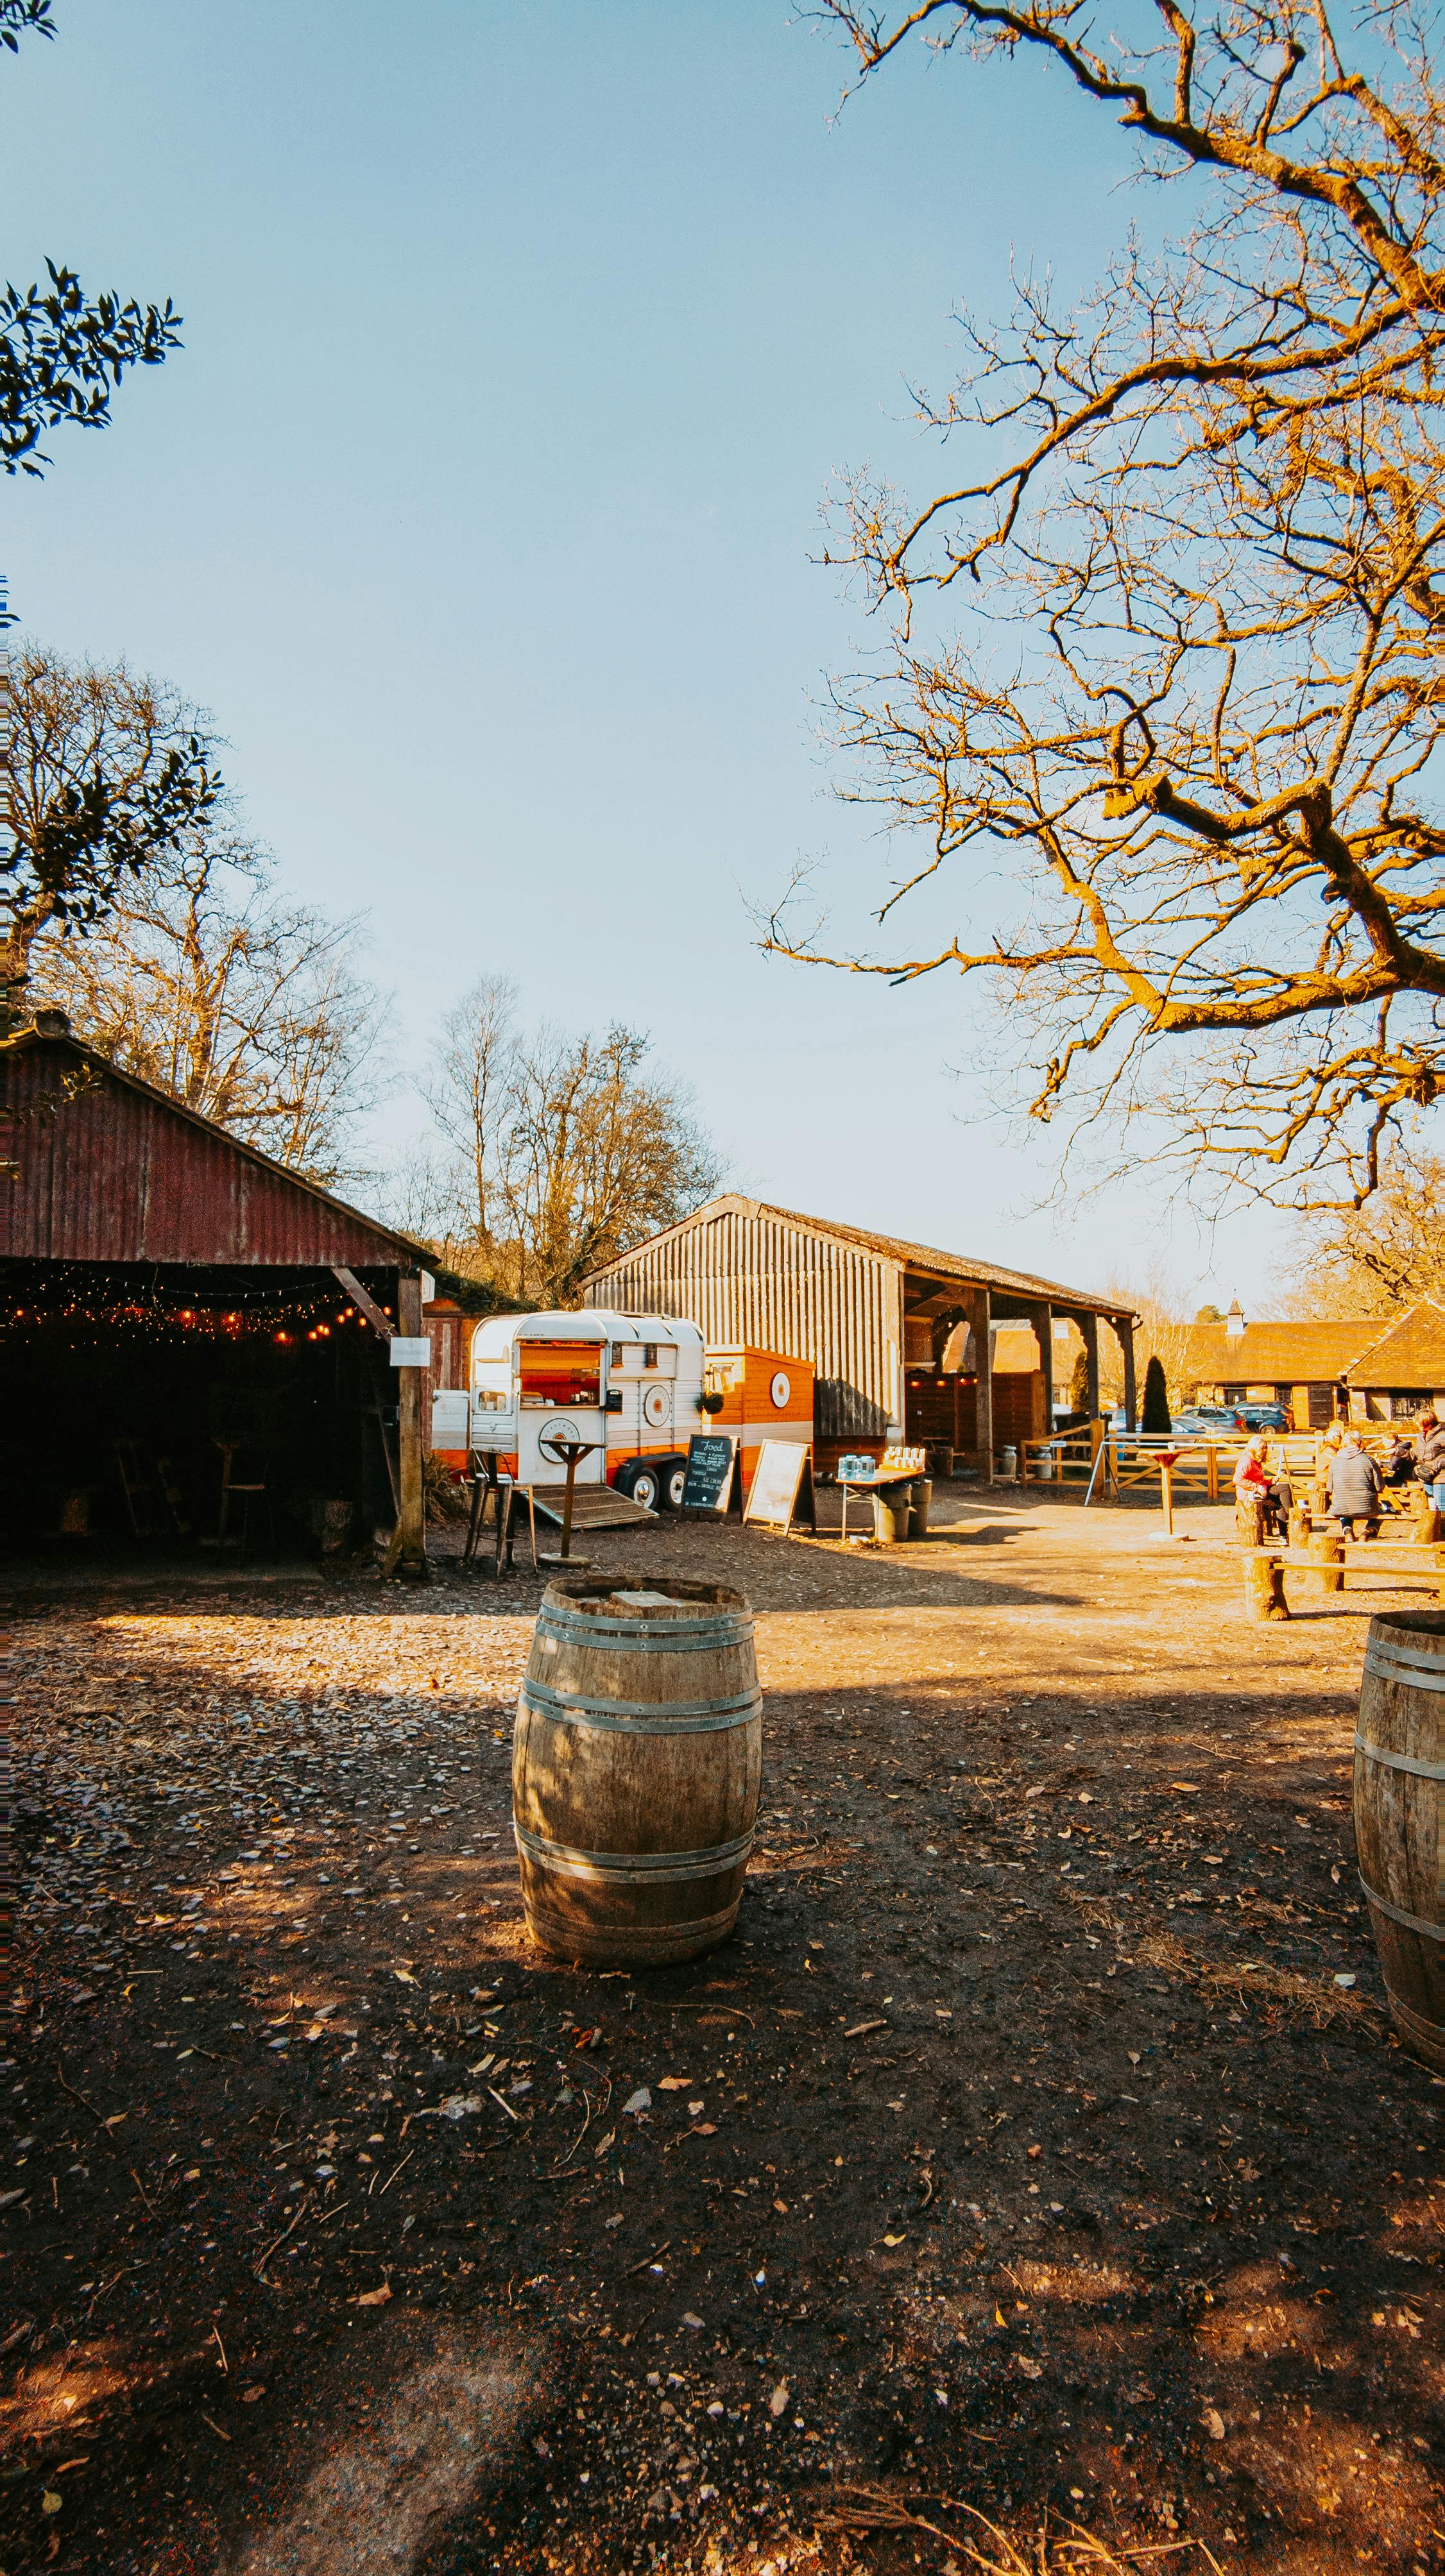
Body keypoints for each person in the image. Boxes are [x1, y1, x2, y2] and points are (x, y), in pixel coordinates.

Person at [1234, 1433, 1292, 1536]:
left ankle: (1284, 1533)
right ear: (1254, 1448)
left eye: (1266, 1448)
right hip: (1250, 1497)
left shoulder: (1256, 1461)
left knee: (1283, 1495)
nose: (1265, 1451)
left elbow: (1258, 1480)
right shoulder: (1247, 1461)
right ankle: (1292, 1517)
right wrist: (1258, 1487)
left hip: (1260, 1493)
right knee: (1284, 1489)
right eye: (1262, 1448)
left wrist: (1271, 1481)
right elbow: (1237, 1479)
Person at [1328, 1430, 1383, 1539]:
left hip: (1342, 1505)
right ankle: (1368, 1531)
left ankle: (1347, 1530)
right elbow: (1379, 1486)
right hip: (1367, 1506)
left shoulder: (1335, 1461)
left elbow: (1330, 1488)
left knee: (1345, 1510)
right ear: (1360, 1442)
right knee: (1380, 1511)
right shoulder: (1369, 1460)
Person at [1418, 1411, 1445, 1514]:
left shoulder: (1442, 1434)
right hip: (1427, 1476)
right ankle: (1438, 1530)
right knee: (1433, 1510)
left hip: (1441, 1477)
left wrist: (1433, 1467)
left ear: (1426, 1422)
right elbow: (1416, 1453)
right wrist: (1398, 1451)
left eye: (1418, 1422)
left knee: (1442, 1507)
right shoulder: (1421, 1436)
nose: (1417, 1424)